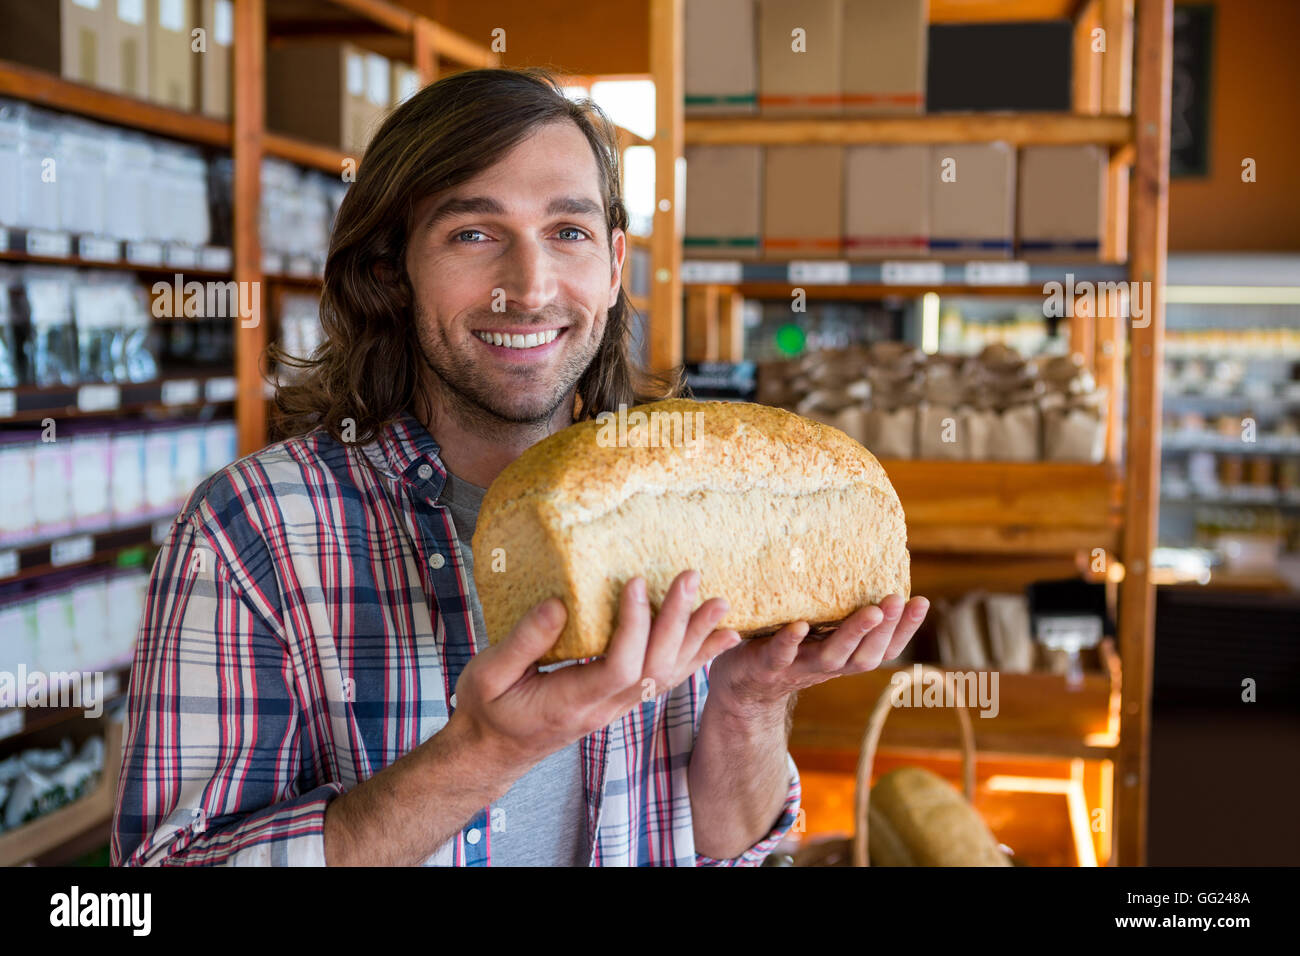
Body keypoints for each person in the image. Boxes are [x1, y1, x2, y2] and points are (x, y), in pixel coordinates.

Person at [110, 68, 929, 866]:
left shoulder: (682, 506)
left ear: (613, 268)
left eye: (567, 233)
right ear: (394, 271)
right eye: (474, 233)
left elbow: (723, 846)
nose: (529, 288)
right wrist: (485, 752)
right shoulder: (251, 532)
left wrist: (752, 702)